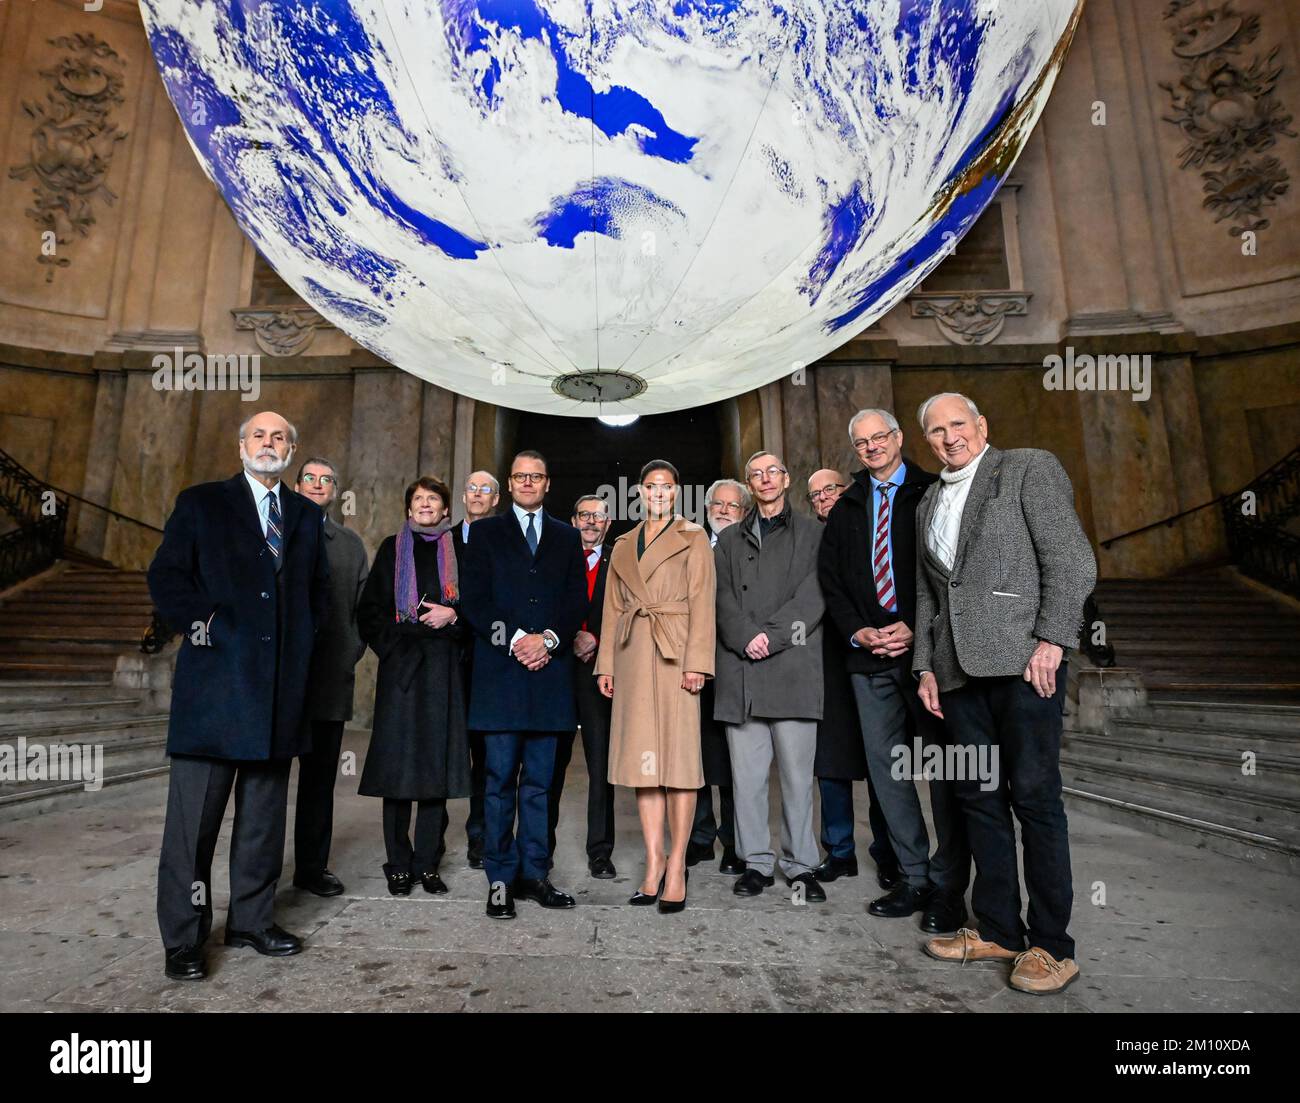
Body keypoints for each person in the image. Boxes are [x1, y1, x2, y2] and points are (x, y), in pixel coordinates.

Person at [913, 392, 1095, 996]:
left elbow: (1071, 560)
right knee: (978, 801)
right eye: (936, 430)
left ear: (981, 425)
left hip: (1025, 667)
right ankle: (998, 928)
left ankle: (1051, 945)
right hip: (957, 674)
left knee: (1036, 801)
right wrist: (925, 667)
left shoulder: (1027, 468)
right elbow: (927, 595)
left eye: (957, 424)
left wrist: (1053, 640)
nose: (949, 437)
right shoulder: (928, 502)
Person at [148, 410, 329, 981]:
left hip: (279, 695)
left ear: (292, 450)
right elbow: (167, 576)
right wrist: (206, 622)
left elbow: (317, 594)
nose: (268, 443)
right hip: (215, 692)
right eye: (259, 434)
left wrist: (302, 646)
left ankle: (252, 919)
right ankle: (184, 937)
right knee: (193, 828)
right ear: (241, 445)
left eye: (280, 437)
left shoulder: (303, 514)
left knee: (262, 821)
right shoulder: (201, 502)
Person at [817, 412, 970, 933]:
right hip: (867, 659)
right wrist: (859, 632)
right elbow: (831, 580)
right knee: (889, 774)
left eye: (879, 437)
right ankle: (913, 876)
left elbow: (949, 572)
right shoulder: (848, 504)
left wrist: (914, 627)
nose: (871, 448)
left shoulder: (932, 491)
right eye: (861, 442)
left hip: (930, 657)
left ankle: (950, 885)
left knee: (946, 773)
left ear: (900, 439)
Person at [459, 450, 588, 919]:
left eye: (536, 476)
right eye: (520, 477)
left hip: (549, 679)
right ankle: (499, 879)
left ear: (547, 483)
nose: (528, 483)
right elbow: (474, 600)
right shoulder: (486, 532)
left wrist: (549, 640)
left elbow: (576, 601)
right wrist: (516, 640)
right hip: (501, 676)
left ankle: (535, 874)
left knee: (539, 785)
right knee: (497, 783)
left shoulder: (566, 536)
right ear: (510, 485)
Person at [596, 460, 715, 913]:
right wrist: (606, 664)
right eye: (650, 486)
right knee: (642, 766)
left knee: (679, 764)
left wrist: (698, 664)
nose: (658, 493)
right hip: (631, 655)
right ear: (640, 492)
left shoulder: (694, 536)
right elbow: (611, 608)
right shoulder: (624, 543)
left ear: (677, 491)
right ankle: (653, 862)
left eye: (666, 486)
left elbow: (703, 602)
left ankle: (678, 864)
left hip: (676, 654)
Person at [714, 451, 826, 902]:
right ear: (749, 484)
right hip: (741, 671)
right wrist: (745, 637)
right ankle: (756, 862)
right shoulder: (727, 540)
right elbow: (719, 597)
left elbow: (815, 593)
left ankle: (801, 866)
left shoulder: (814, 534)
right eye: (755, 473)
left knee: (799, 778)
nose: (764, 479)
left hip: (793, 667)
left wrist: (772, 637)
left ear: (786, 478)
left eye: (772, 471)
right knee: (748, 777)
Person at [356, 477, 471, 896]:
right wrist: (395, 648)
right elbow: (369, 612)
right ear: (409, 511)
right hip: (403, 672)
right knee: (399, 772)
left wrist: (452, 617)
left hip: (443, 671)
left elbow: (473, 608)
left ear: (445, 510)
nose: (425, 505)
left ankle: (428, 863)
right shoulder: (392, 548)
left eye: (433, 499)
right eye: (418, 499)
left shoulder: (458, 550)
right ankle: (398, 863)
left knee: (435, 772)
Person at [805, 468, 902, 892]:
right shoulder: (808, 538)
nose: (824, 497)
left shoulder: (869, 529)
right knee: (831, 763)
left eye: (831, 489)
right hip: (824, 664)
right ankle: (839, 851)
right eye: (815, 495)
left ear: (847, 492)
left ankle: (889, 852)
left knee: (882, 763)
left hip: (873, 657)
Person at [291, 457, 369, 897]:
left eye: (327, 480)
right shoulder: (274, 532)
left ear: (335, 491)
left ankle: (311, 868)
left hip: (327, 683)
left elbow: (362, 611)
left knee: (319, 783)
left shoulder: (349, 544)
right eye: (310, 478)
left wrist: (347, 655)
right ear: (297, 485)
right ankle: (259, 873)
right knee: (266, 782)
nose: (318, 484)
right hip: (279, 685)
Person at [548, 494, 617, 878]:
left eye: (599, 517)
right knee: (550, 764)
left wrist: (597, 637)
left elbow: (627, 609)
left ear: (608, 525)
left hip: (598, 672)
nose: (591, 522)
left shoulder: (619, 561)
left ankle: (600, 852)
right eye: (585, 515)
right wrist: (570, 634)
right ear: (573, 520)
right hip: (558, 668)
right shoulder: (557, 557)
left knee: (600, 763)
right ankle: (542, 848)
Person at [685, 479, 748, 877]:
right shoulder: (691, 545)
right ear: (706, 508)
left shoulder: (751, 549)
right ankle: (699, 837)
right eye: (717, 504)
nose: (723, 510)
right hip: (694, 665)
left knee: (735, 756)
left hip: (737, 666)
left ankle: (736, 842)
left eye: (733, 506)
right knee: (698, 752)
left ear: (744, 512)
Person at [455, 470, 499, 870]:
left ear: (496, 499)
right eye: (472, 488)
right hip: (449, 665)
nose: (478, 494)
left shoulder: (506, 542)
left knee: (486, 755)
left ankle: (480, 836)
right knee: (447, 751)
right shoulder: (443, 540)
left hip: (490, 662)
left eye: (486, 489)